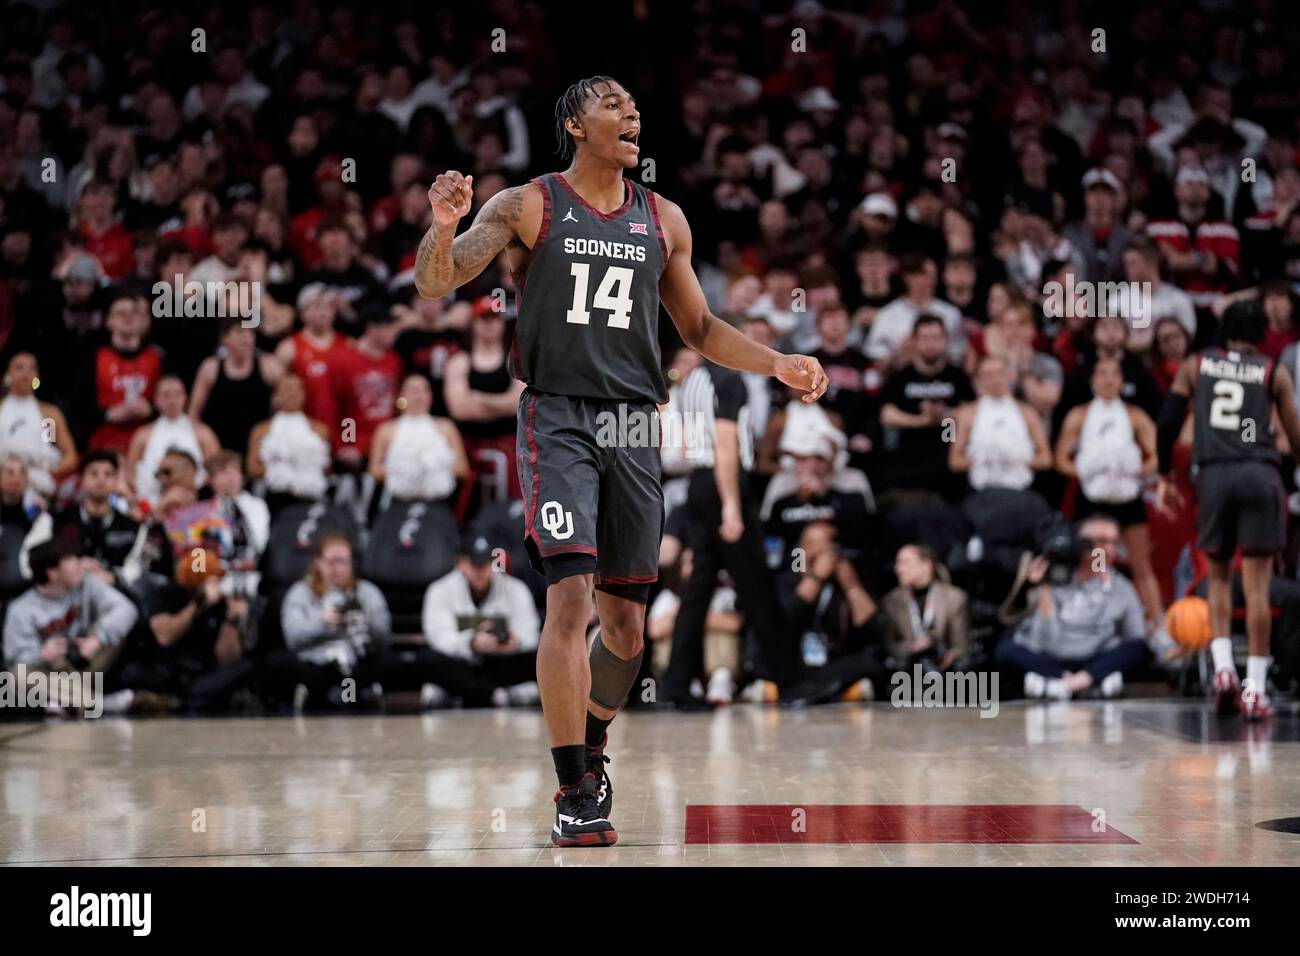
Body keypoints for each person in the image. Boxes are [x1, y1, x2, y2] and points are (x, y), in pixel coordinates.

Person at [412, 75, 827, 846]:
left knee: (627, 633)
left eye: (636, 106)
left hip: (636, 426)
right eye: (612, 104)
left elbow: (699, 326)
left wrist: (778, 362)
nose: (632, 113)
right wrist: (442, 225)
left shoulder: (662, 218)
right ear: (575, 123)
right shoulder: (526, 204)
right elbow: (436, 280)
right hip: (558, 416)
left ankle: (593, 740)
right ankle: (573, 787)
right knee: (567, 599)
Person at [1156, 305, 1300, 720]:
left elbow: (1167, 423)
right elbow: (1295, 435)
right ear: (1260, 332)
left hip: (1214, 477)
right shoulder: (1274, 371)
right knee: (1258, 590)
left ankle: (1222, 672)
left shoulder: (1196, 365)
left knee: (1217, 579)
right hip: (1259, 475)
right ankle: (1254, 690)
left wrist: (1165, 472)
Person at [1055, 357, 1163, 629]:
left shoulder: (1134, 415)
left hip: (1127, 498)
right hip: (1093, 500)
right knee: (1094, 563)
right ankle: (1088, 624)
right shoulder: (1079, 415)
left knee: (1141, 564)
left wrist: (1135, 471)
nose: (1108, 380)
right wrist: (1089, 471)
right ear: (1093, 380)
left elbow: (1156, 456)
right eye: (1102, 374)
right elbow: (1060, 459)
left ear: (1121, 381)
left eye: (1114, 374)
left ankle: (1159, 627)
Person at [995, 516, 1153, 700]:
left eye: (1113, 542)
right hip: (1053, 655)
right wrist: (1045, 585)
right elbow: (1042, 640)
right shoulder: (1053, 576)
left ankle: (1063, 684)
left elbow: (1136, 638)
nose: (1108, 549)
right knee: (1006, 650)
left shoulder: (1119, 586)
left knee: (1139, 649)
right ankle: (1093, 683)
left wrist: (1101, 581)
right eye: (1101, 541)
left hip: (1095, 656)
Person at [421, 536, 541, 707]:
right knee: (428, 659)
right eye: (473, 564)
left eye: (485, 564)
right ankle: (500, 695)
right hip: (463, 663)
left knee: (536, 659)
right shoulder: (440, 590)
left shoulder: (516, 589)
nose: (480, 570)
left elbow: (530, 635)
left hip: (503, 662)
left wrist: (513, 642)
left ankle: (461, 693)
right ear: (460, 563)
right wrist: (472, 642)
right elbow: (438, 638)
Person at [949, 355, 1052, 494]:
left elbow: (1046, 459)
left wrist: (1015, 459)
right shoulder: (964, 414)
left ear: (1010, 376)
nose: (995, 379)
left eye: (1000, 373)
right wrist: (985, 460)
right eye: (988, 374)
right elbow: (954, 460)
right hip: (981, 490)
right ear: (978, 380)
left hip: (1021, 488)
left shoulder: (1029, 413)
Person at [189, 316, 283, 463]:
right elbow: (193, 414)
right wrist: (206, 444)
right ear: (224, 339)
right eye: (239, 332)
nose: (246, 338)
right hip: (219, 450)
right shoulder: (210, 368)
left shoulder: (269, 366)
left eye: (250, 332)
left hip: (260, 449)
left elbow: (288, 405)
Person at [369, 374, 467, 503]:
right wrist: (400, 468)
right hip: (399, 502)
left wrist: (436, 466)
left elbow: (462, 468)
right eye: (413, 390)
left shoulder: (446, 427)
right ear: (401, 395)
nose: (418, 395)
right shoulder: (386, 430)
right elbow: (374, 470)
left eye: (423, 390)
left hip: (438, 502)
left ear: (430, 396)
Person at [126, 375, 219, 506]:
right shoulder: (143, 435)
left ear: (185, 397)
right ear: (156, 399)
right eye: (166, 395)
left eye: (177, 394)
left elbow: (216, 470)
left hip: (196, 501)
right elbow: (130, 472)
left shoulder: (202, 432)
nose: (172, 400)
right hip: (154, 502)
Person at [246, 374, 333, 512]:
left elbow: (327, 467)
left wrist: (305, 474)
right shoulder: (261, 430)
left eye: (297, 389)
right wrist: (279, 473)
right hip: (274, 497)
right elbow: (252, 467)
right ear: (276, 395)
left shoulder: (320, 429)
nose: (292, 393)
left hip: (311, 495)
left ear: (304, 394)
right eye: (286, 389)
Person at [881, 544, 972, 672]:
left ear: (926, 565)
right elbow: (888, 645)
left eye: (905, 562)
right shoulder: (891, 601)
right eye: (897, 563)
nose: (898, 569)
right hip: (907, 669)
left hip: (944, 670)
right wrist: (913, 647)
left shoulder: (954, 598)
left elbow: (962, 645)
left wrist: (951, 655)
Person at [0, 352, 77, 499]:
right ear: (7, 374)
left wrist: (47, 471)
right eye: (19, 368)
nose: (26, 374)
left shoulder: (49, 415)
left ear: (38, 376)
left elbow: (69, 456)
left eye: (31, 369)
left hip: (38, 483)